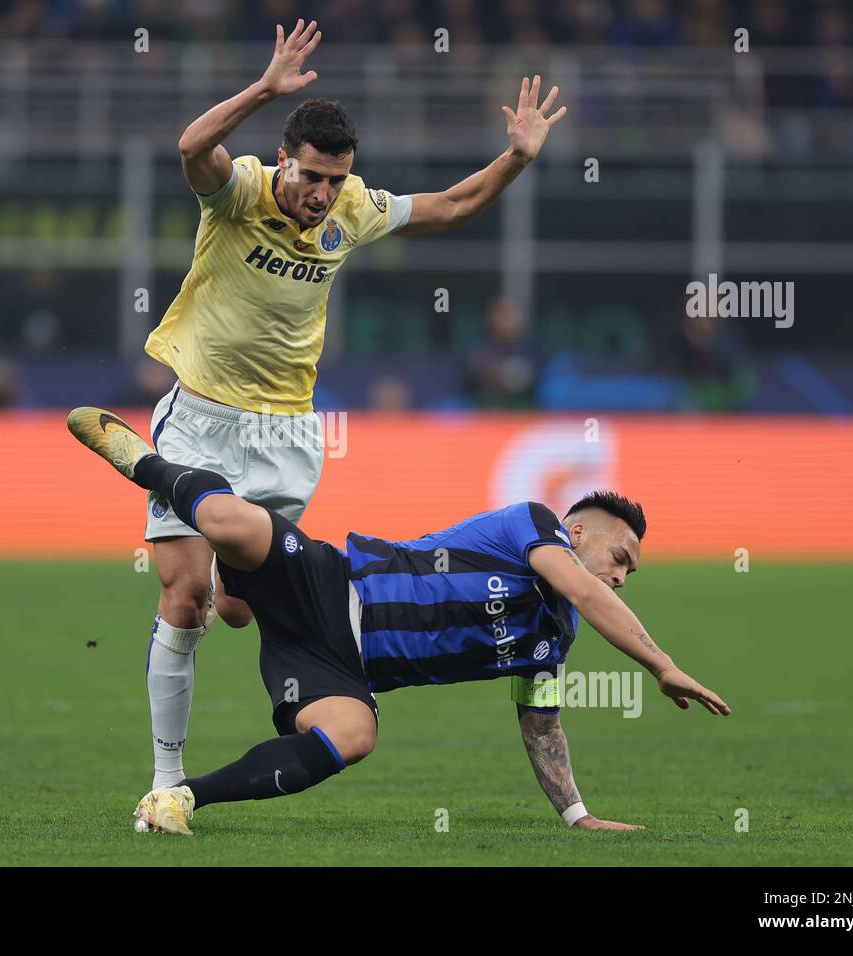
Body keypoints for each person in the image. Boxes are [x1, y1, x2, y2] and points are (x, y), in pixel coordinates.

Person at [137, 16, 569, 791]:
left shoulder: (351, 210)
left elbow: (456, 206)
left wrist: (516, 157)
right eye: (311, 177)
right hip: (200, 420)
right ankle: (167, 783)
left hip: (286, 439)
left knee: (238, 610)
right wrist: (263, 89)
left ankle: (224, 595)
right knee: (187, 594)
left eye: (336, 179)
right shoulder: (237, 193)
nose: (322, 194)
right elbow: (189, 149)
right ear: (282, 160)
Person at [67, 407, 731, 835]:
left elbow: (542, 724)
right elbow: (589, 594)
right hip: (329, 583)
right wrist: (662, 666)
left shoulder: (552, 640)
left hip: (337, 669)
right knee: (225, 521)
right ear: (577, 529)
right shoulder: (532, 525)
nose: (618, 577)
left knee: (354, 734)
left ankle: (179, 800)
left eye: (629, 576)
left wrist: (577, 816)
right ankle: (142, 460)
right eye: (619, 558)